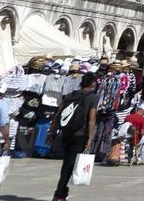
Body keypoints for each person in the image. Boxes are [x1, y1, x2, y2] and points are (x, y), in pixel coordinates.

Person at [53, 73, 98, 201]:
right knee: (69, 165)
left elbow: (58, 114)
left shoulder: (70, 95)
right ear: (93, 84)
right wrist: (90, 138)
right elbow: (92, 118)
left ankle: (61, 192)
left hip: (66, 133)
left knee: (67, 163)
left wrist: (51, 132)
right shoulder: (93, 97)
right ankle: (59, 193)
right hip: (80, 135)